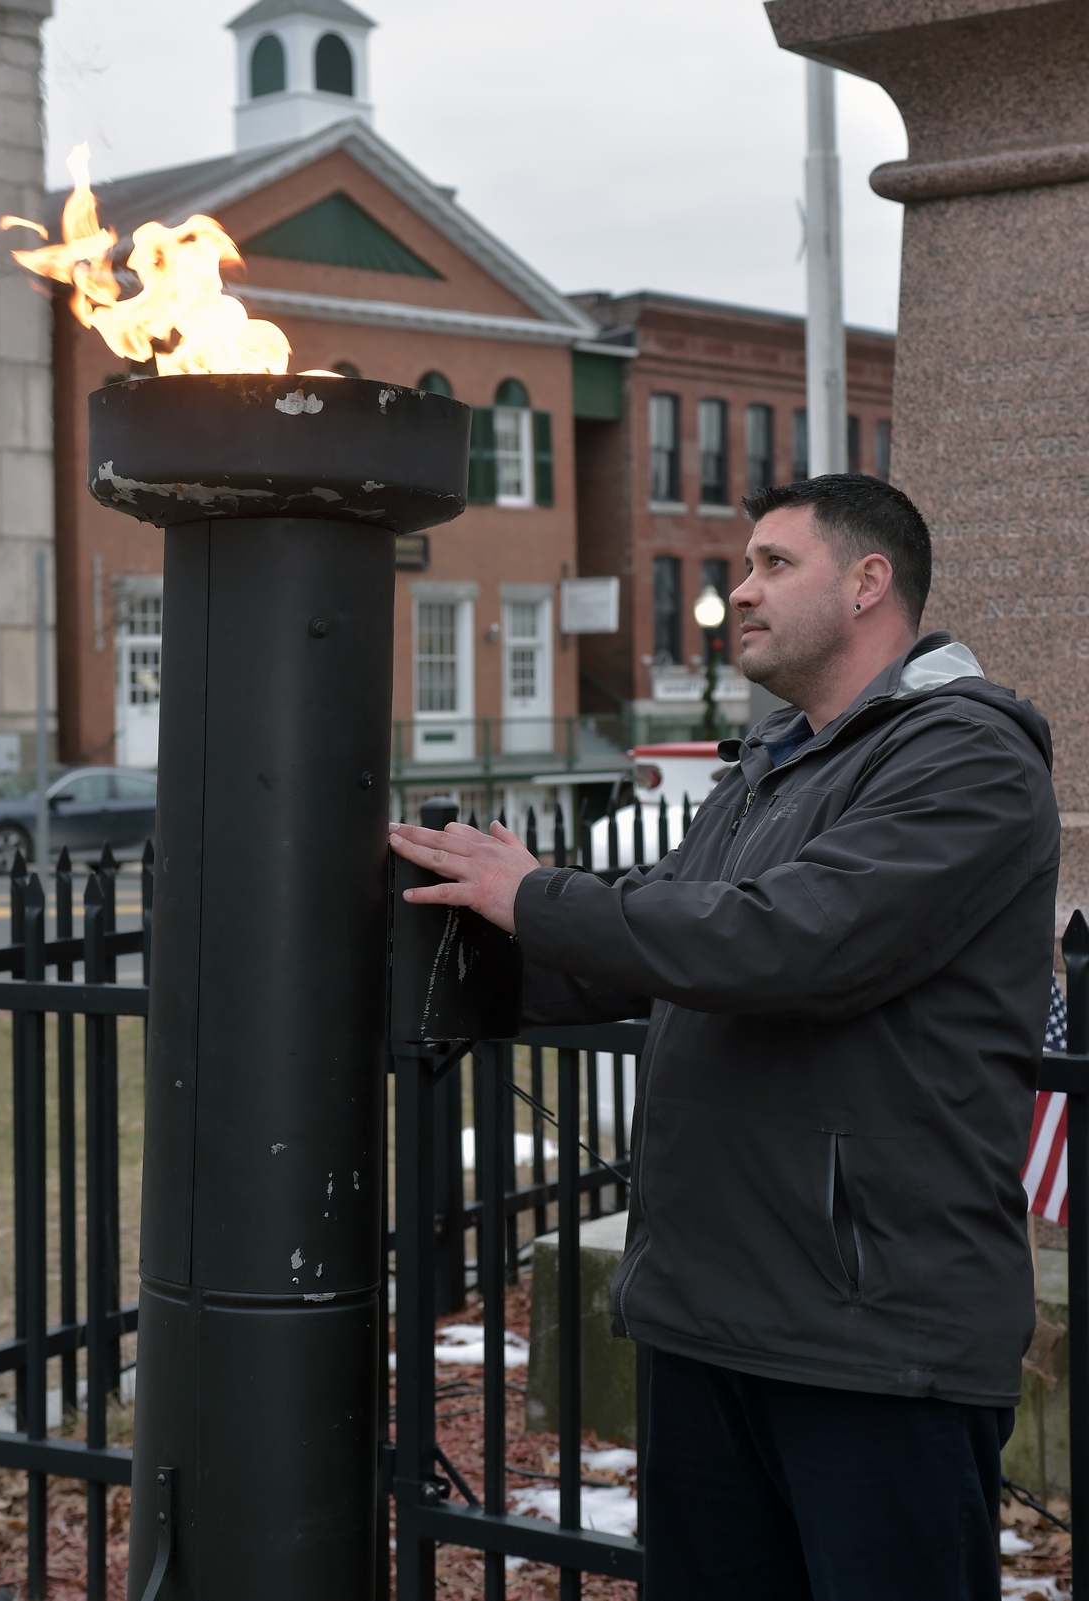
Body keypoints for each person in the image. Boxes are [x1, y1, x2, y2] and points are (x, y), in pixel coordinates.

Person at [389, 474, 1060, 1601]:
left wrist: (539, 893)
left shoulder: (967, 757)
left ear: (868, 582)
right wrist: (439, 952)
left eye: (773, 564)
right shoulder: (770, 769)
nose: (740, 590)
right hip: (709, 1323)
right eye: (744, 566)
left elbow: (791, 940)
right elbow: (654, 940)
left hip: (874, 1344)